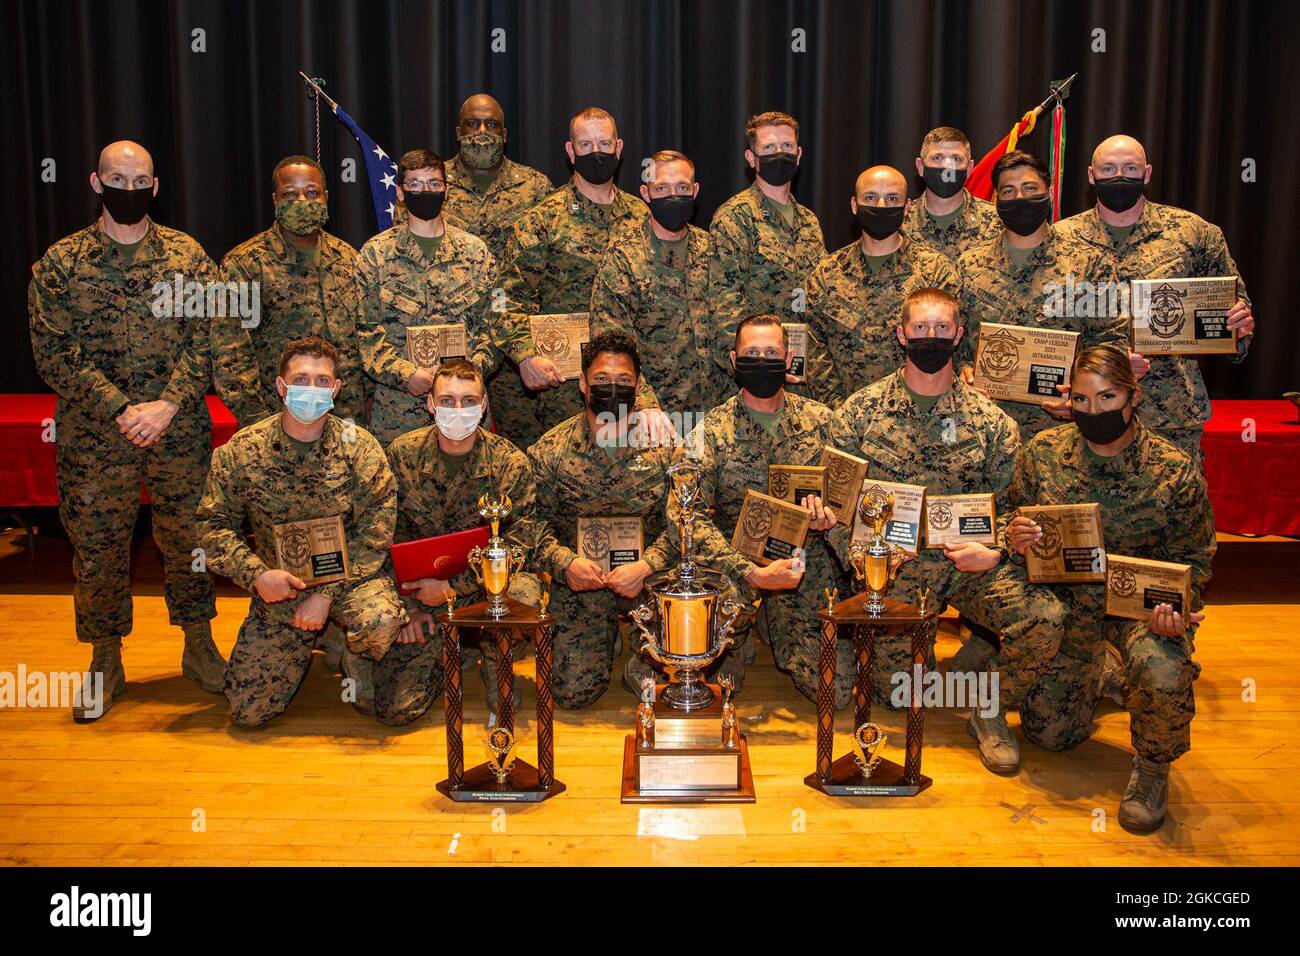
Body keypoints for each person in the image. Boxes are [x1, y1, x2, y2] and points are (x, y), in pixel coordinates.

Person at [28, 140, 237, 720]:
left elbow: (209, 338)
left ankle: (198, 646)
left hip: (177, 429)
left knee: (190, 543)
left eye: (138, 178)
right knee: (97, 547)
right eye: (117, 178)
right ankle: (104, 658)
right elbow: (53, 352)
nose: (128, 188)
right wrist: (122, 408)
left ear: (155, 185)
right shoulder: (61, 264)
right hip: (95, 436)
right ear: (96, 183)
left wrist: (167, 404)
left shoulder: (188, 257)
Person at [825, 288, 1066, 767]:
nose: (930, 337)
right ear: (901, 334)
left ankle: (987, 704)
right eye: (920, 328)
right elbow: (838, 508)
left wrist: (996, 550)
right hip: (895, 570)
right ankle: (967, 657)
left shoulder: (993, 423)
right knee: (899, 694)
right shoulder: (858, 413)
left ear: (958, 335)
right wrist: (869, 560)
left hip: (968, 564)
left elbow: (1015, 507)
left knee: (1045, 619)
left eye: (941, 329)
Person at [1005, 344, 1215, 832]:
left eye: (1107, 397)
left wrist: (1181, 609)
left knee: (1162, 666)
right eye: (1080, 400)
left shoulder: (1172, 468)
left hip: (1141, 613)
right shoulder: (1043, 453)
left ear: (1133, 396)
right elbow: (1009, 517)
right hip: (1071, 609)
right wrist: (1013, 535)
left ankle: (1152, 767)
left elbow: (1195, 559)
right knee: (1050, 734)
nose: (1093, 411)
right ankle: (1103, 670)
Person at [195, 336, 406, 728]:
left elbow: (377, 532)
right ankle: (321, 638)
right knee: (248, 711)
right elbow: (212, 525)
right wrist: (257, 575)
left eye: (322, 381)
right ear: (281, 386)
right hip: (283, 587)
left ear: (336, 389)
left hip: (349, 584)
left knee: (380, 618)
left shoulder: (359, 448)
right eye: (301, 379)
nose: (312, 389)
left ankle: (353, 650)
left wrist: (325, 596)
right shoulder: (243, 451)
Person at [675, 314, 845, 704]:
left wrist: (830, 521)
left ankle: (773, 620)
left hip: (803, 561)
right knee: (708, 662)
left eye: (771, 352)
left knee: (833, 692)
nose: (762, 360)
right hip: (734, 561)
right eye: (752, 353)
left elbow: (847, 498)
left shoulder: (824, 423)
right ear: (734, 361)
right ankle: (735, 637)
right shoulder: (710, 432)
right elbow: (687, 517)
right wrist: (751, 572)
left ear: (789, 360)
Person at [1055, 134, 1256, 464]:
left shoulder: (1193, 233)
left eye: (1130, 168)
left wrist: (1240, 325)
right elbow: (1047, 324)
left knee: (1178, 512)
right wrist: (1111, 363)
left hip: (1171, 414)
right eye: (1108, 168)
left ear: (1147, 173)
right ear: (1091, 176)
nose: (1119, 176)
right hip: (1087, 412)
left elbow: (1234, 311)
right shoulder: (1060, 239)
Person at [383, 359, 542, 724]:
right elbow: (383, 536)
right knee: (396, 711)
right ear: (430, 405)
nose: (459, 410)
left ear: (484, 406)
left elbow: (520, 545)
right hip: (422, 595)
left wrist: (452, 588)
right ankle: (450, 647)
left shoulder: (509, 462)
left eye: (469, 401)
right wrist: (405, 606)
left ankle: (495, 657)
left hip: (489, 593)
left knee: (525, 593)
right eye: (448, 400)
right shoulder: (401, 456)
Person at [527, 330, 678, 707]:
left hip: (651, 580)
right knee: (571, 693)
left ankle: (638, 654)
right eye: (601, 380)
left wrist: (648, 565)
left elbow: (687, 520)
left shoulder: (666, 445)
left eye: (624, 381)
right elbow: (530, 525)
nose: (613, 387)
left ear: (638, 386)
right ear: (581, 383)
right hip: (583, 582)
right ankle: (604, 633)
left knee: (666, 686)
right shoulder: (551, 450)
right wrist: (566, 564)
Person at [501, 107, 665, 447]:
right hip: (562, 388)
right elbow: (504, 300)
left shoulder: (643, 217)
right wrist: (525, 355)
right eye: (585, 144)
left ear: (619, 149)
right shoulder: (542, 220)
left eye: (604, 144)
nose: (596, 153)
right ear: (570, 150)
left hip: (633, 382)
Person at [355, 148, 531, 444]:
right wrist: (405, 375)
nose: (426, 191)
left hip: (467, 408)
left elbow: (497, 324)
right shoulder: (374, 256)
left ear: (446, 190)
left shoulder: (476, 254)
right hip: (401, 412)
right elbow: (365, 333)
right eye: (416, 185)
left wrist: (472, 372)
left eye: (434, 184)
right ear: (399, 193)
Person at [957, 150, 1125, 440]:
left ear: (1048, 192)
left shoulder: (1089, 263)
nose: (1019, 197)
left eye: (1029, 188)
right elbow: (953, 342)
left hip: (1064, 434)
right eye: (1008, 191)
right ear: (996, 199)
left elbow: (1113, 340)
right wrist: (963, 373)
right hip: (984, 432)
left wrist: (1083, 394)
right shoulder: (968, 266)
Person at [442, 93, 556, 447]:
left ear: (505, 134)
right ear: (458, 131)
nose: (481, 131)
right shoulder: (433, 183)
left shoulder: (535, 187)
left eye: (491, 125)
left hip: (517, 355)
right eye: (472, 124)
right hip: (454, 344)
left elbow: (548, 271)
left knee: (523, 451)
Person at [221, 154, 367, 425]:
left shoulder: (348, 258)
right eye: (290, 194)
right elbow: (230, 356)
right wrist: (259, 424)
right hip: (278, 419)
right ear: (275, 200)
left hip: (345, 418)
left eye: (312, 193)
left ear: (326, 197)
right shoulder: (245, 263)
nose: (302, 201)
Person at [590, 148, 729, 419]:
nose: (673, 195)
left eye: (682, 187)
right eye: (662, 187)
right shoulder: (623, 256)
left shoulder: (715, 250)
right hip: (654, 416)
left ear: (695, 190)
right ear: (646, 193)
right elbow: (611, 342)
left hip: (717, 414)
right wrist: (645, 405)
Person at [707, 110, 835, 403]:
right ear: (751, 158)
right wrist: (756, 368)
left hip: (807, 378)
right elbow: (724, 305)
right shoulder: (734, 218)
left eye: (787, 147)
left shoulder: (809, 222)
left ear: (799, 154)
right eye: (768, 148)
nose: (780, 154)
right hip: (758, 379)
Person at [803, 164, 959, 403]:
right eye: (871, 197)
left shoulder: (936, 272)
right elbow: (813, 347)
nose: (881, 206)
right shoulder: (826, 274)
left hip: (916, 417)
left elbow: (950, 345)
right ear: (855, 206)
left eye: (892, 198)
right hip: (843, 416)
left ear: (907, 207)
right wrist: (839, 409)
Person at [901, 126, 1001, 260]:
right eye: (937, 158)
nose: (947, 167)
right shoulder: (900, 223)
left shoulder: (998, 223)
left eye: (956, 159)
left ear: (969, 169)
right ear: (920, 167)